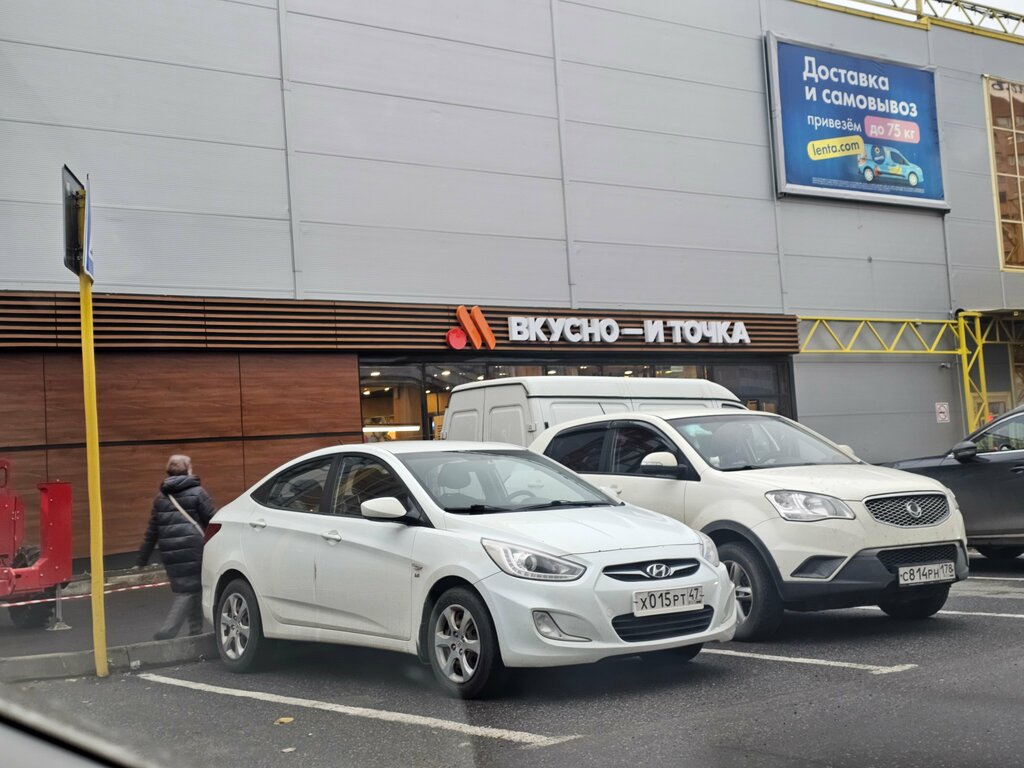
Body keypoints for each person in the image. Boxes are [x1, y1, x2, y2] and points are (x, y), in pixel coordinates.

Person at [136, 454, 216, 640]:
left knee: (192, 588)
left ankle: (195, 632)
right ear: (188, 469)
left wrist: (142, 558)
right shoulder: (198, 493)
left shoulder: (161, 498)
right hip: (194, 549)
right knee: (188, 590)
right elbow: (212, 520)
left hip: (170, 552)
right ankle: (168, 630)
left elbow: (152, 530)